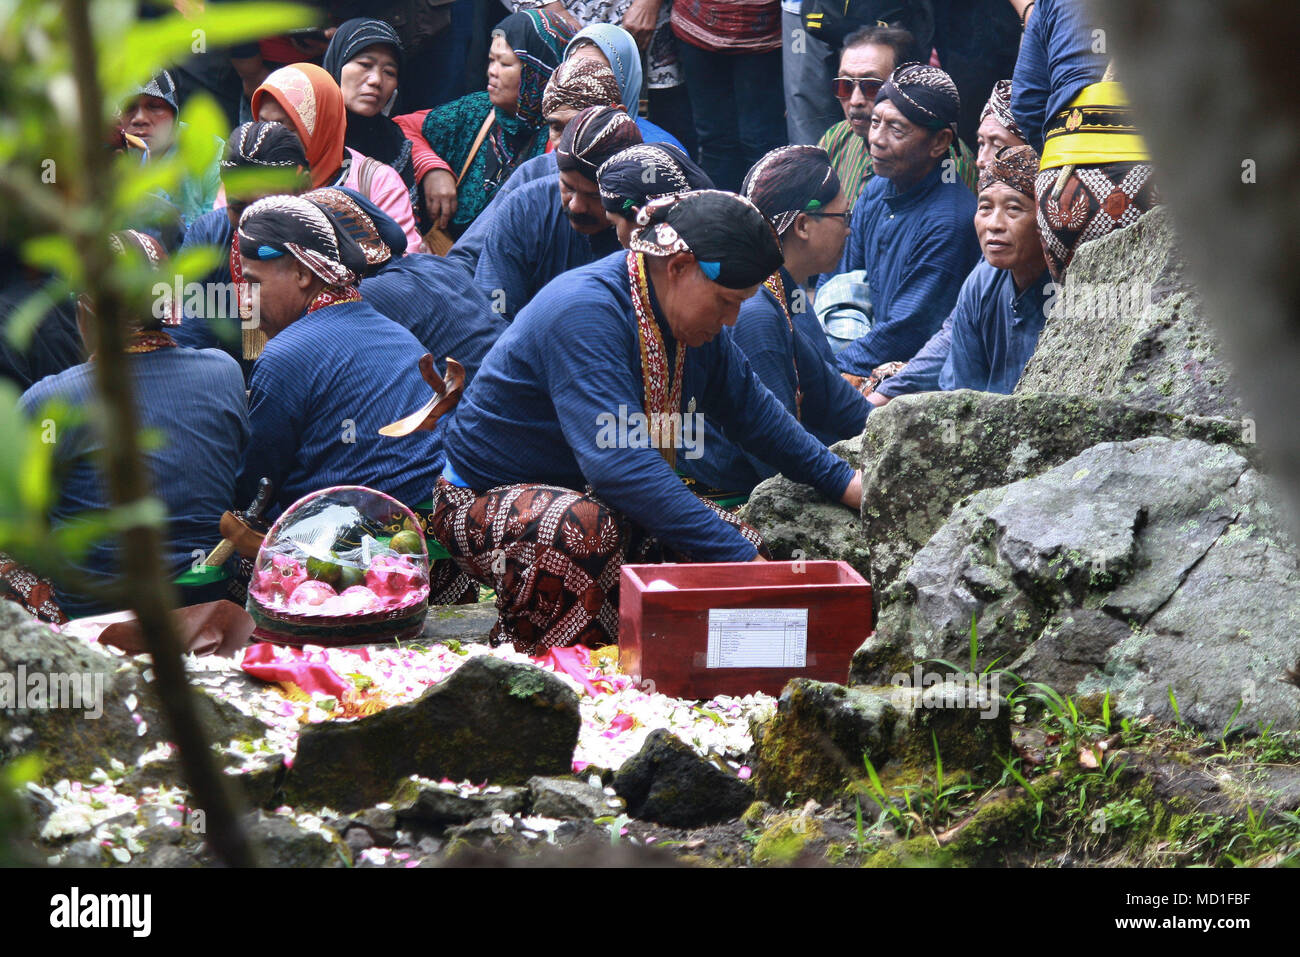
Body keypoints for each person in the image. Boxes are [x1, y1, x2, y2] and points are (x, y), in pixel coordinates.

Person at [426, 190, 864, 653]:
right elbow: (620, 467)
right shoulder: (585, 311)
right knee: (583, 531)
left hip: (600, 498)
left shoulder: (689, 322)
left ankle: (698, 679)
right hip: (479, 501)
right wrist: (742, 559)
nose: (733, 319)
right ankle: (543, 673)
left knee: (740, 539)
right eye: (725, 301)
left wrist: (847, 483)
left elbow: (755, 415)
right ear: (677, 268)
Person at [231, 197, 470, 609]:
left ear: (304, 274)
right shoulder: (394, 332)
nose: (246, 304)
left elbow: (260, 485)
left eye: (254, 284)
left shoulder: (285, 354)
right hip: (433, 553)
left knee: (229, 562)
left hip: (352, 567)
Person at [12, 231, 248, 621]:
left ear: (86, 312)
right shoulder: (225, 371)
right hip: (206, 593)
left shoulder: (50, 398)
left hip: (94, 610)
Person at [682, 146, 873, 497]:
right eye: (844, 217)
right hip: (733, 492)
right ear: (803, 225)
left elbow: (836, 400)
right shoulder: (756, 312)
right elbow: (774, 463)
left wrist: (897, 433)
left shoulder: (783, 296)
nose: (849, 230)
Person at [867, 77, 1029, 403]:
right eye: (980, 144)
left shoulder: (950, 219)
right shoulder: (984, 277)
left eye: (996, 145)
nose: (982, 160)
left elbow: (906, 331)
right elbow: (953, 346)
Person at [829, 63, 981, 377]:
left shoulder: (951, 221)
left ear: (940, 141)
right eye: (875, 123)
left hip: (917, 377)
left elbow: (906, 332)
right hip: (863, 355)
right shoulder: (875, 191)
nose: (877, 140)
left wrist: (829, 372)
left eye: (896, 130)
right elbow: (846, 287)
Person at [1011, 0, 1158, 280]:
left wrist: (1070, 152)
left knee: (1083, 310)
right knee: (1151, 308)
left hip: (1059, 186)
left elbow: (1025, 101)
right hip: (1144, 174)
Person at [397, 10, 577, 238]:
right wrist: (432, 168)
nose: (492, 71)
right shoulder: (477, 111)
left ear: (537, 72)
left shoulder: (561, 134)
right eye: (491, 60)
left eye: (505, 64)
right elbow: (401, 127)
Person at [473, 106, 641, 322]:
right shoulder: (524, 211)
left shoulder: (655, 226)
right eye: (568, 187)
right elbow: (493, 313)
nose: (577, 206)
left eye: (594, 196)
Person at [170, 121, 313, 371]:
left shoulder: (327, 244)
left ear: (302, 188)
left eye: (266, 208)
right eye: (238, 208)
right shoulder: (209, 237)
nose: (251, 223)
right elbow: (185, 343)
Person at [251, 63, 422, 252]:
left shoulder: (377, 184)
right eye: (262, 125)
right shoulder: (246, 173)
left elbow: (405, 266)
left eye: (286, 129)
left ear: (322, 127)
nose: (267, 139)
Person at [817, 27, 978, 210]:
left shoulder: (948, 160)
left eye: (871, 86)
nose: (855, 101)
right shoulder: (836, 138)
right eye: (844, 85)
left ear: (908, 85)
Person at [942, 144, 1052, 392]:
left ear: (1044, 219)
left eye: (1013, 208)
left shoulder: (1069, 290)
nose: (994, 225)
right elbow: (962, 396)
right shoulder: (979, 285)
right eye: (985, 208)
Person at [322, 18, 427, 232]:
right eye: (365, 65)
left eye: (389, 72)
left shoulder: (393, 142)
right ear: (337, 63)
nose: (376, 80)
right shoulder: (304, 131)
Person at [670, 0, 786, 192]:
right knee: (715, 139)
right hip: (697, 25)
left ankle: (769, 215)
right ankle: (722, 216)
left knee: (761, 140)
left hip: (764, 31)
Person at [120, 70, 225, 229]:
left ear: (175, 113)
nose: (140, 119)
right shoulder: (107, 152)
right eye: (129, 107)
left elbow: (217, 226)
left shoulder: (209, 148)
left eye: (154, 106)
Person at [563, 23, 684, 148]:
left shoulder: (658, 150)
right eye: (575, 70)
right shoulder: (558, 134)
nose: (582, 82)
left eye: (599, 73)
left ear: (626, 78)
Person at [597, 141, 713, 247]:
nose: (617, 238)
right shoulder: (718, 240)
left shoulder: (655, 268)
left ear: (641, 220)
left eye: (614, 224)